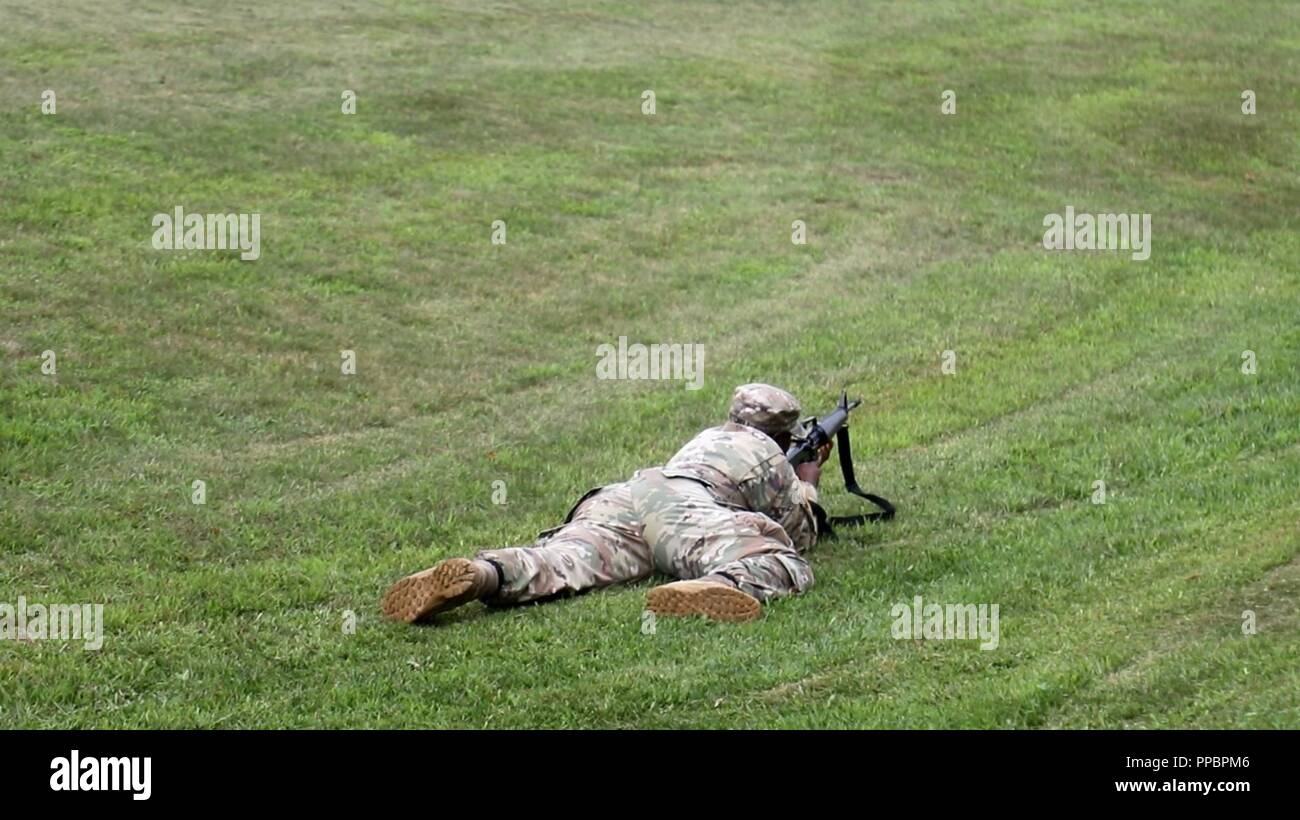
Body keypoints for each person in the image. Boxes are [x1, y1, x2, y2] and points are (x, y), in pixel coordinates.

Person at [381, 383, 832, 624]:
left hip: (626, 497)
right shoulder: (768, 452)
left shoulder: (710, 436)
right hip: (684, 509)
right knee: (776, 560)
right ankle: (718, 586)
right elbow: (800, 530)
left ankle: (484, 574)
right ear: (782, 432)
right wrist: (808, 479)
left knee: (561, 561)